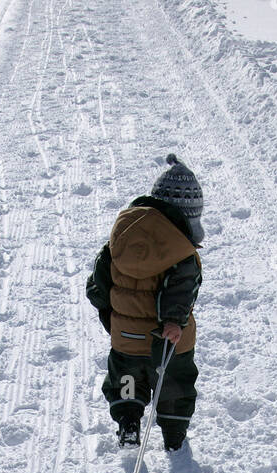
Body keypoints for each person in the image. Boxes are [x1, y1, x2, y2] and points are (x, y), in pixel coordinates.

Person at [85, 154, 204, 452]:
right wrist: (173, 322)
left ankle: (128, 422)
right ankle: (174, 435)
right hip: (168, 341)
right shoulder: (182, 252)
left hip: (125, 339)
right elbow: (181, 287)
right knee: (174, 385)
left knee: (126, 380)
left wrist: (112, 319)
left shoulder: (120, 240)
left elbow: (98, 285)